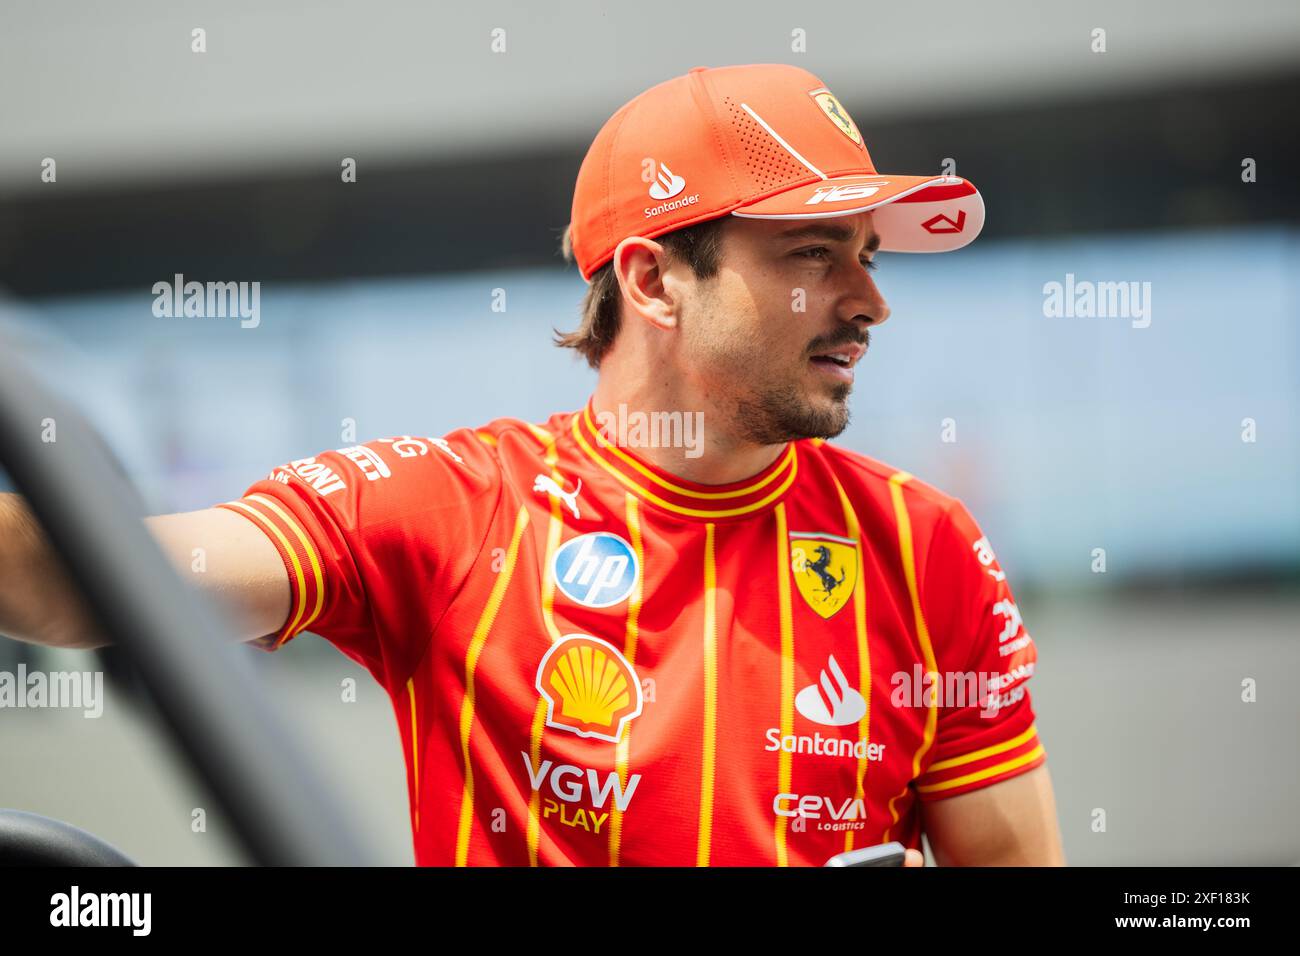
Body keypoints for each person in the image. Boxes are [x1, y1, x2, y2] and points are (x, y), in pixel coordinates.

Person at [0, 63, 1064, 867]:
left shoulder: (926, 547)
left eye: (867, 256)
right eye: (811, 253)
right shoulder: (454, 507)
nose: (870, 299)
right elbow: (87, 575)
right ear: (652, 280)